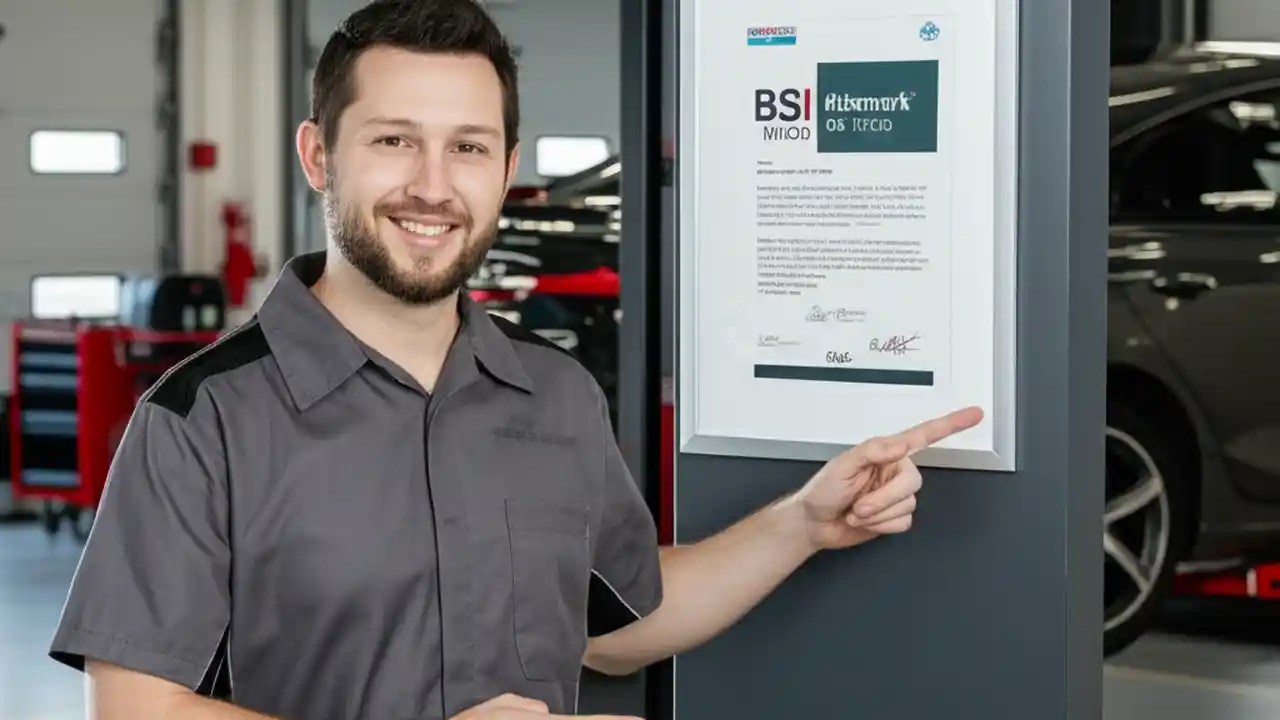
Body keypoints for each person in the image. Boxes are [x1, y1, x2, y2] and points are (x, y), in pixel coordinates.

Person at [48, 1, 983, 718]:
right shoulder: (200, 419)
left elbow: (618, 628)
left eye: (468, 147)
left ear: (505, 168)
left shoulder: (555, 395)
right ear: (319, 156)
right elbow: (137, 709)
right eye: (393, 141)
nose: (432, 186)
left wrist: (802, 522)